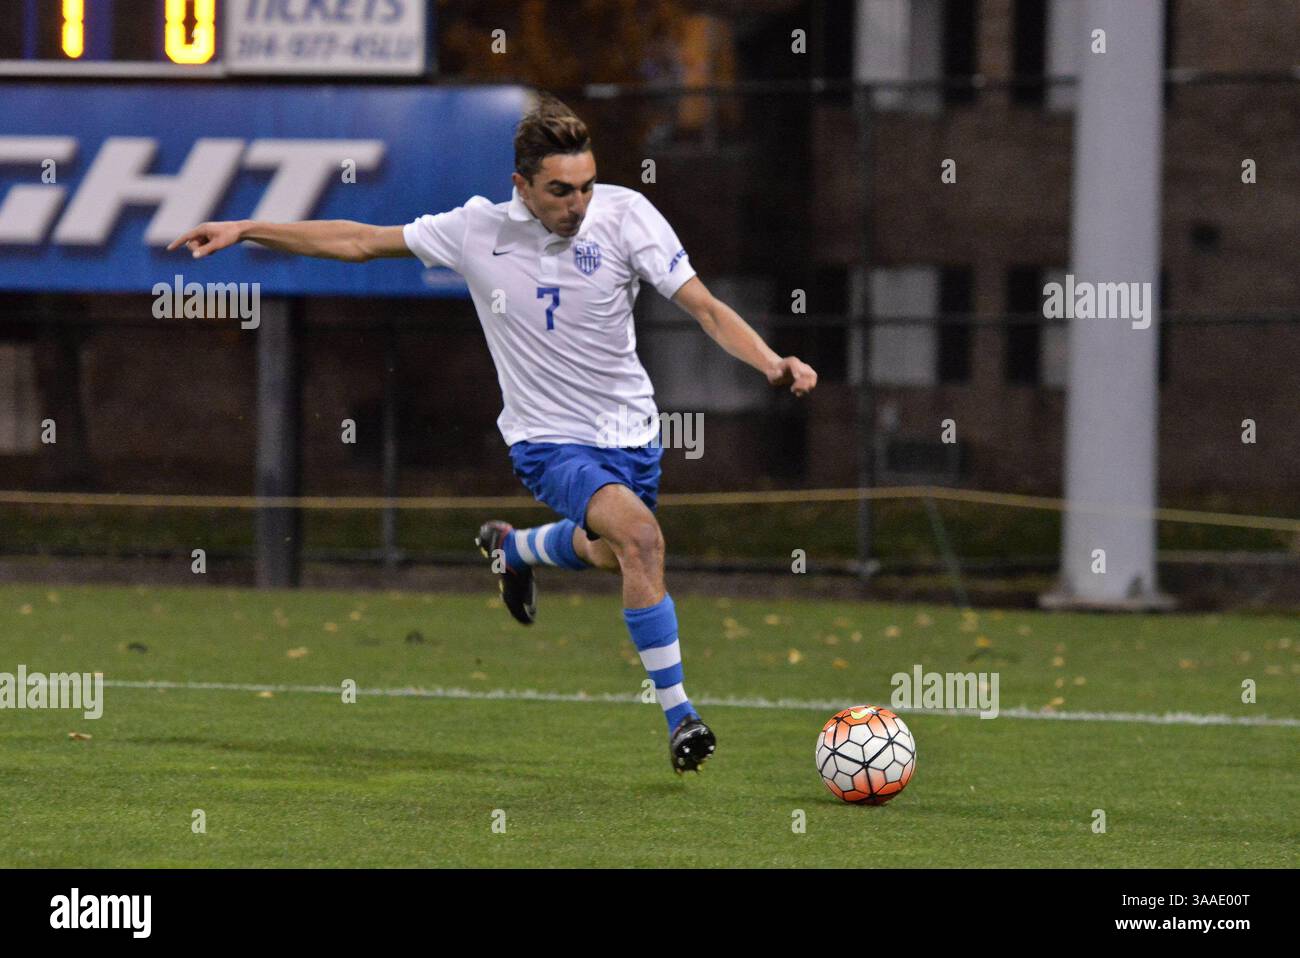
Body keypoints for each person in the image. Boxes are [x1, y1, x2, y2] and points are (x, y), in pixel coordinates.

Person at [168, 93, 818, 774]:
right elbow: (358, 240)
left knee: (615, 556)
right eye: (560, 190)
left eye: (587, 185)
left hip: (631, 434)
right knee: (641, 539)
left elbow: (707, 309)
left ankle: (517, 550)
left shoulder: (627, 216)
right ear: (522, 187)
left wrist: (773, 361)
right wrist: (247, 228)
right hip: (546, 439)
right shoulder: (475, 230)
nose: (579, 203)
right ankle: (681, 716)